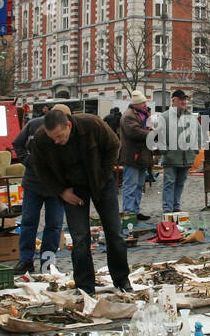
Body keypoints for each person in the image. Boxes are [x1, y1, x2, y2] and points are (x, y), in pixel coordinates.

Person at [29, 107, 131, 295]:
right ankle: (84, 286)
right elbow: (41, 169)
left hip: (100, 182)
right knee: (80, 238)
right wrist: (61, 192)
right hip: (72, 189)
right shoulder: (42, 139)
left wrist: (102, 176)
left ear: (68, 125)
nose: (57, 142)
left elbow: (114, 145)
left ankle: (122, 280)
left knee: (114, 233)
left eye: (60, 136)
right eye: (53, 139)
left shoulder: (91, 124)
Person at [11, 104, 66, 276]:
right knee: (28, 222)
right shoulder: (34, 125)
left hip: (56, 186)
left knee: (54, 225)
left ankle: (47, 262)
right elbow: (17, 144)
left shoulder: (69, 131)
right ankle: (26, 260)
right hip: (33, 183)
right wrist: (28, 161)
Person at [156, 89, 199, 214]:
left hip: (186, 157)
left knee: (180, 183)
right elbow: (160, 136)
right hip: (171, 157)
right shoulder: (164, 117)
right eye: (181, 99)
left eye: (184, 99)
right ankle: (167, 208)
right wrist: (165, 151)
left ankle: (176, 206)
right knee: (169, 183)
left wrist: (195, 150)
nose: (183, 102)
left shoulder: (191, 117)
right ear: (173, 100)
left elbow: (199, 134)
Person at [118, 91, 152, 220]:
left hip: (140, 155)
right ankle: (128, 213)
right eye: (143, 102)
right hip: (132, 156)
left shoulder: (143, 114)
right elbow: (134, 132)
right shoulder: (128, 116)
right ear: (137, 104)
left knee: (138, 185)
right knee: (130, 186)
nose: (145, 104)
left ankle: (135, 211)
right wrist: (150, 134)